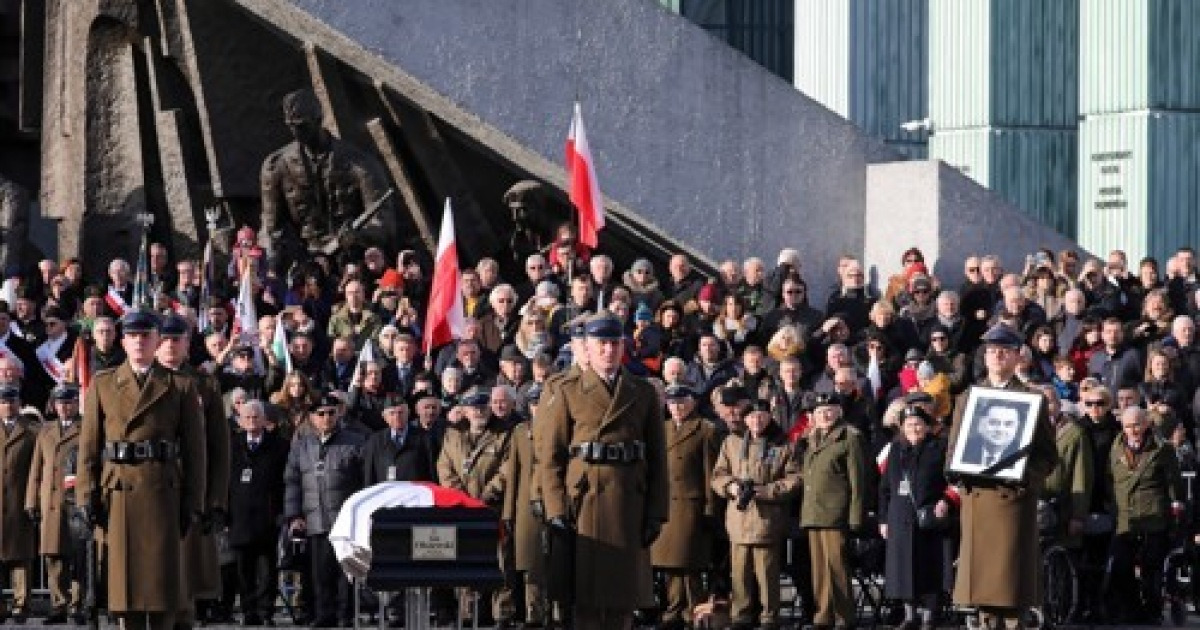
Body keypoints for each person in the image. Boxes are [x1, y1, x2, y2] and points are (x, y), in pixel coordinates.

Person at [534, 311, 668, 630]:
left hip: (628, 503)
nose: (608, 351)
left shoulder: (642, 391)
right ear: (588, 348)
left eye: (614, 344)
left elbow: (658, 458)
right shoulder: (567, 390)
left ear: (623, 347)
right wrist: (554, 510)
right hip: (583, 504)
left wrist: (656, 512)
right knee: (586, 602)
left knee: (623, 601)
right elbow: (550, 456)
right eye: (601, 344)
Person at [76, 309, 207, 630]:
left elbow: (195, 452)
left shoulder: (179, 387)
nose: (138, 342)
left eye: (145, 336)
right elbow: (89, 448)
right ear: (122, 341)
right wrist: (85, 494)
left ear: (156, 341)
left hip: (164, 494)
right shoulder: (104, 384)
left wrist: (195, 502)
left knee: (163, 595)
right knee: (126, 595)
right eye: (132, 336)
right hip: (119, 494)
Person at [947, 324, 1058, 630]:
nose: (996, 356)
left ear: (1016, 357)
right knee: (982, 596)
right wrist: (956, 473)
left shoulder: (1031, 400)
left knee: (1010, 594)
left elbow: (1049, 457)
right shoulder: (968, 398)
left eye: (1003, 351)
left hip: (1012, 504)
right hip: (978, 501)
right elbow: (955, 446)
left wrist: (1024, 479)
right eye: (991, 351)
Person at [157, 313, 231, 628]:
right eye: (166, 339)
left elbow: (219, 448)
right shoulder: (146, 381)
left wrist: (215, 501)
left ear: (188, 344)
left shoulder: (203, 384)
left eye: (178, 339)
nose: (171, 345)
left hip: (192, 492)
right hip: (154, 490)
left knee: (187, 578)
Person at [710, 399, 800, 630]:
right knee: (739, 573)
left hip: (767, 518)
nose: (756, 421)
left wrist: (767, 491)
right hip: (738, 518)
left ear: (769, 417)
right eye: (751, 417)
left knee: (767, 573)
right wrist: (730, 486)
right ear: (745, 419)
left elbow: (795, 478)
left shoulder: (782, 445)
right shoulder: (731, 442)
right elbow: (718, 474)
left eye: (761, 416)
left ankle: (770, 616)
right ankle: (741, 614)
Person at [283, 392, 366, 628]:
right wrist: (294, 516)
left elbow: (364, 481)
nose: (327, 417)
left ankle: (345, 615)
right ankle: (324, 613)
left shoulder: (355, 442)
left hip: (345, 520)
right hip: (315, 518)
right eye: (321, 414)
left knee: (346, 572)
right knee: (320, 573)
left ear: (339, 413)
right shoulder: (301, 446)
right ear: (312, 418)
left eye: (331, 412)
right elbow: (292, 482)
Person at [436, 389, 512, 624]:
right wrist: (462, 497)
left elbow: (506, 469)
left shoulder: (503, 434)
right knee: (465, 558)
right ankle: (468, 612)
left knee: (500, 560)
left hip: (493, 507)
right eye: (473, 408)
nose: (479, 411)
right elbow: (445, 468)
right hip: (463, 508)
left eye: (482, 407)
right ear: (465, 411)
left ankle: (502, 613)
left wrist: (488, 494)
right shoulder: (452, 435)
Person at [651, 385, 720, 630]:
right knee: (670, 565)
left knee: (690, 563)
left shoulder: (705, 429)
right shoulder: (663, 429)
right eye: (672, 403)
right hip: (667, 505)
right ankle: (674, 609)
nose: (677, 408)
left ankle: (695, 611)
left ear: (691, 403)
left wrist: (710, 509)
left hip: (691, 504)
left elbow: (709, 471)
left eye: (682, 403)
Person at [1106, 406, 1183, 623]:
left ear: (1147, 424)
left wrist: (1176, 510)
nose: (1133, 430)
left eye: (1137, 425)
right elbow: (1109, 479)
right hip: (1125, 518)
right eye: (1128, 426)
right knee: (1121, 566)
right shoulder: (1116, 447)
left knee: (1152, 568)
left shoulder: (1162, 449)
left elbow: (1173, 484)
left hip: (1153, 515)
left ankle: (1152, 611)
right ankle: (1130, 609)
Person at [878, 405, 952, 630]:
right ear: (902, 427)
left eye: (918, 424)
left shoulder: (939, 448)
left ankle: (930, 616)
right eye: (909, 425)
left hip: (929, 517)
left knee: (930, 568)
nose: (914, 428)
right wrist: (883, 519)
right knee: (903, 569)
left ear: (928, 426)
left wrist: (946, 501)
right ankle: (910, 616)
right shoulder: (894, 450)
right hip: (899, 517)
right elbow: (884, 489)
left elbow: (952, 481)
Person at [799, 391, 867, 630]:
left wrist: (856, 517)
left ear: (839, 411)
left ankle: (843, 616)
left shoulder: (849, 437)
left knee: (837, 567)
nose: (825, 415)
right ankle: (823, 615)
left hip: (836, 514)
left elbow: (858, 481)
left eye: (830, 410)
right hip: (814, 513)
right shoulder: (812, 438)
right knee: (819, 569)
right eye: (819, 412)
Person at [227, 399, 289, 626]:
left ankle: (266, 613)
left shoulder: (280, 446)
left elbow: (285, 482)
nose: (252, 421)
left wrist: (282, 513)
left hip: (267, 517)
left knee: (267, 571)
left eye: (256, 417)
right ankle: (248, 611)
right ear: (240, 421)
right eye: (247, 417)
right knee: (244, 571)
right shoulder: (232, 445)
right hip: (240, 517)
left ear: (264, 419)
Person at [25, 383, 82, 625]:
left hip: (75, 502)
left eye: (68, 402)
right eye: (60, 403)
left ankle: (77, 606)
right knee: (53, 556)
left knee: (78, 557)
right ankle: (59, 604)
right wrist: (31, 500)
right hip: (49, 502)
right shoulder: (45, 431)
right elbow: (36, 470)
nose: (64, 407)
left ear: (76, 402)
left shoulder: (86, 428)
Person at [961, 402, 1026, 469]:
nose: (1000, 430)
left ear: (1017, 428)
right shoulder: (963, 448)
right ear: (981, 424)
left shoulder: (1022, 454)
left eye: (1008, 424)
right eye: (994, 422)